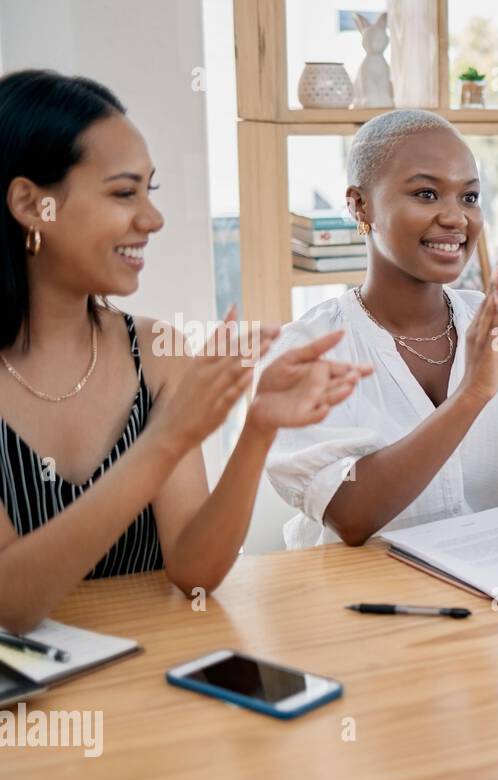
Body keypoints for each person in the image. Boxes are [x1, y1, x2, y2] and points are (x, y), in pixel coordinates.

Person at [0, 70, 368, 633]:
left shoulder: (155, 352)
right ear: (30, 204)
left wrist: (258, 426)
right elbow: (12, 604)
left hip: (154, 679)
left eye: (151, 191)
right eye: (124, 193)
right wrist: (168, 438)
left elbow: (195, 571)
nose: (152, 219)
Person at [265, 110, 498, 548]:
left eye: (469, 198)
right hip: (365, 605)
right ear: (360, 204)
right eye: (427, 194)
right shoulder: (309, 350)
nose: (456, 218)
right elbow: (351, 517)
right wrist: (470, 397)